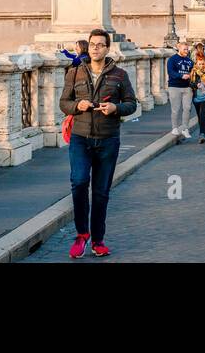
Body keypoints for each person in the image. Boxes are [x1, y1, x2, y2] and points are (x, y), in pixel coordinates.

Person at [58, 27, 138, 258]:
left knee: (101, 192)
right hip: (80, 138)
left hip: (108, 139)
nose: (96, 48)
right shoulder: (74, 73)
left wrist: (116, 108)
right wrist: (76, 107)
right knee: (79, 182)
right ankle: (82, 234)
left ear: (107, 48)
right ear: (88, 46)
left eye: (100, 45)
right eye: (93, 44)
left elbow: (132, 104)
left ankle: (98, 240)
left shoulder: (119, 75)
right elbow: (64, 102)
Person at [166, 41, 195, 139]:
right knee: (175, 109)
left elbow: (193, 72)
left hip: (187, 87)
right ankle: (174, 127)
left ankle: (185, 128)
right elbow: (171, 72)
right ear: (179, 49)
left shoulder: (190, 61)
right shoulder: (172, 59)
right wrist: (181, 76)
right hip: (175, 86)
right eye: (185, 49)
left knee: (187, 108)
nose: (186, 51)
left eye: (187, 49)